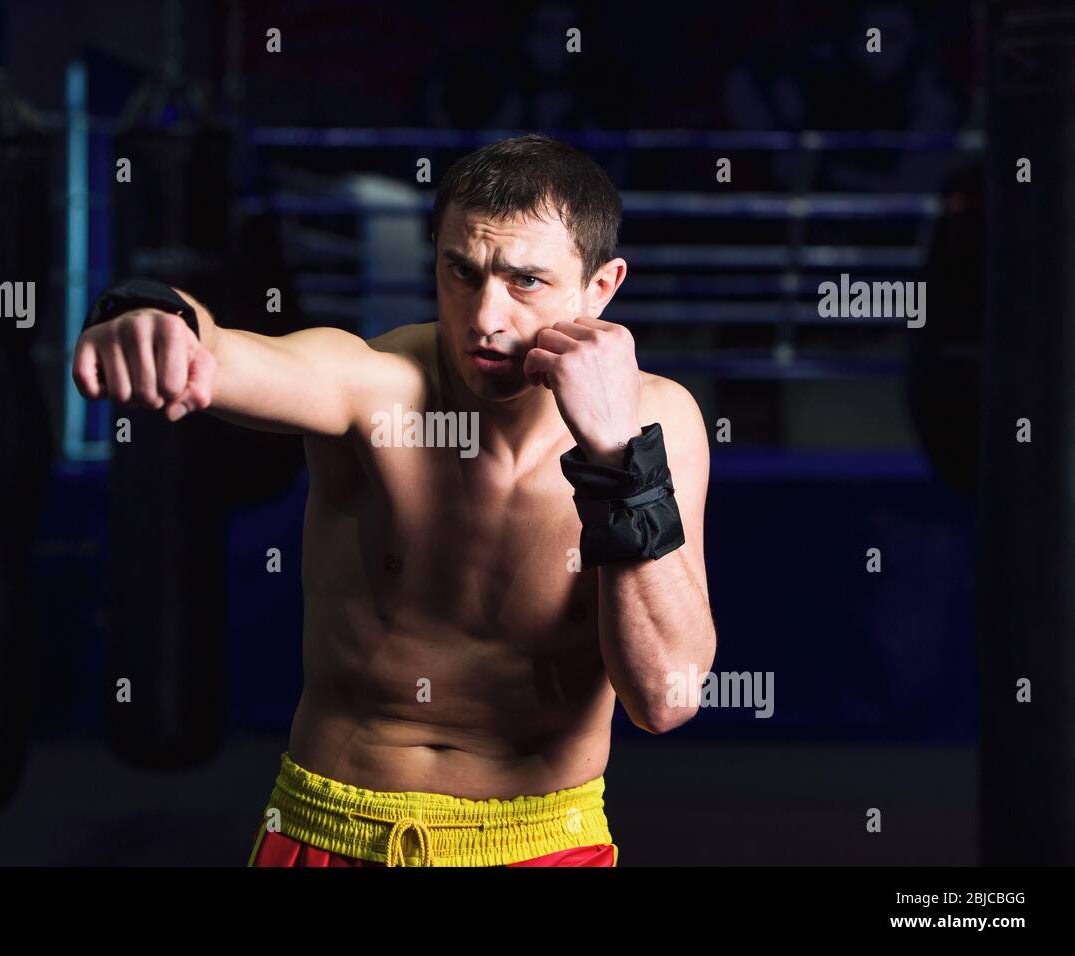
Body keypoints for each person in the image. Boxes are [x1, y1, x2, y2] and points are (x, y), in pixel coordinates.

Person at [72, 134, 717, 867]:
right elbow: (219, 351)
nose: (485, 317)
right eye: (461, 272)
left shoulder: (658, 420)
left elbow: (666, 698)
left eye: (526, 282)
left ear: (600, 287)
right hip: (335, 828)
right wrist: (154, 314)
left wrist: (616, 460)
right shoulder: (374, 383)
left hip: (545, 844)